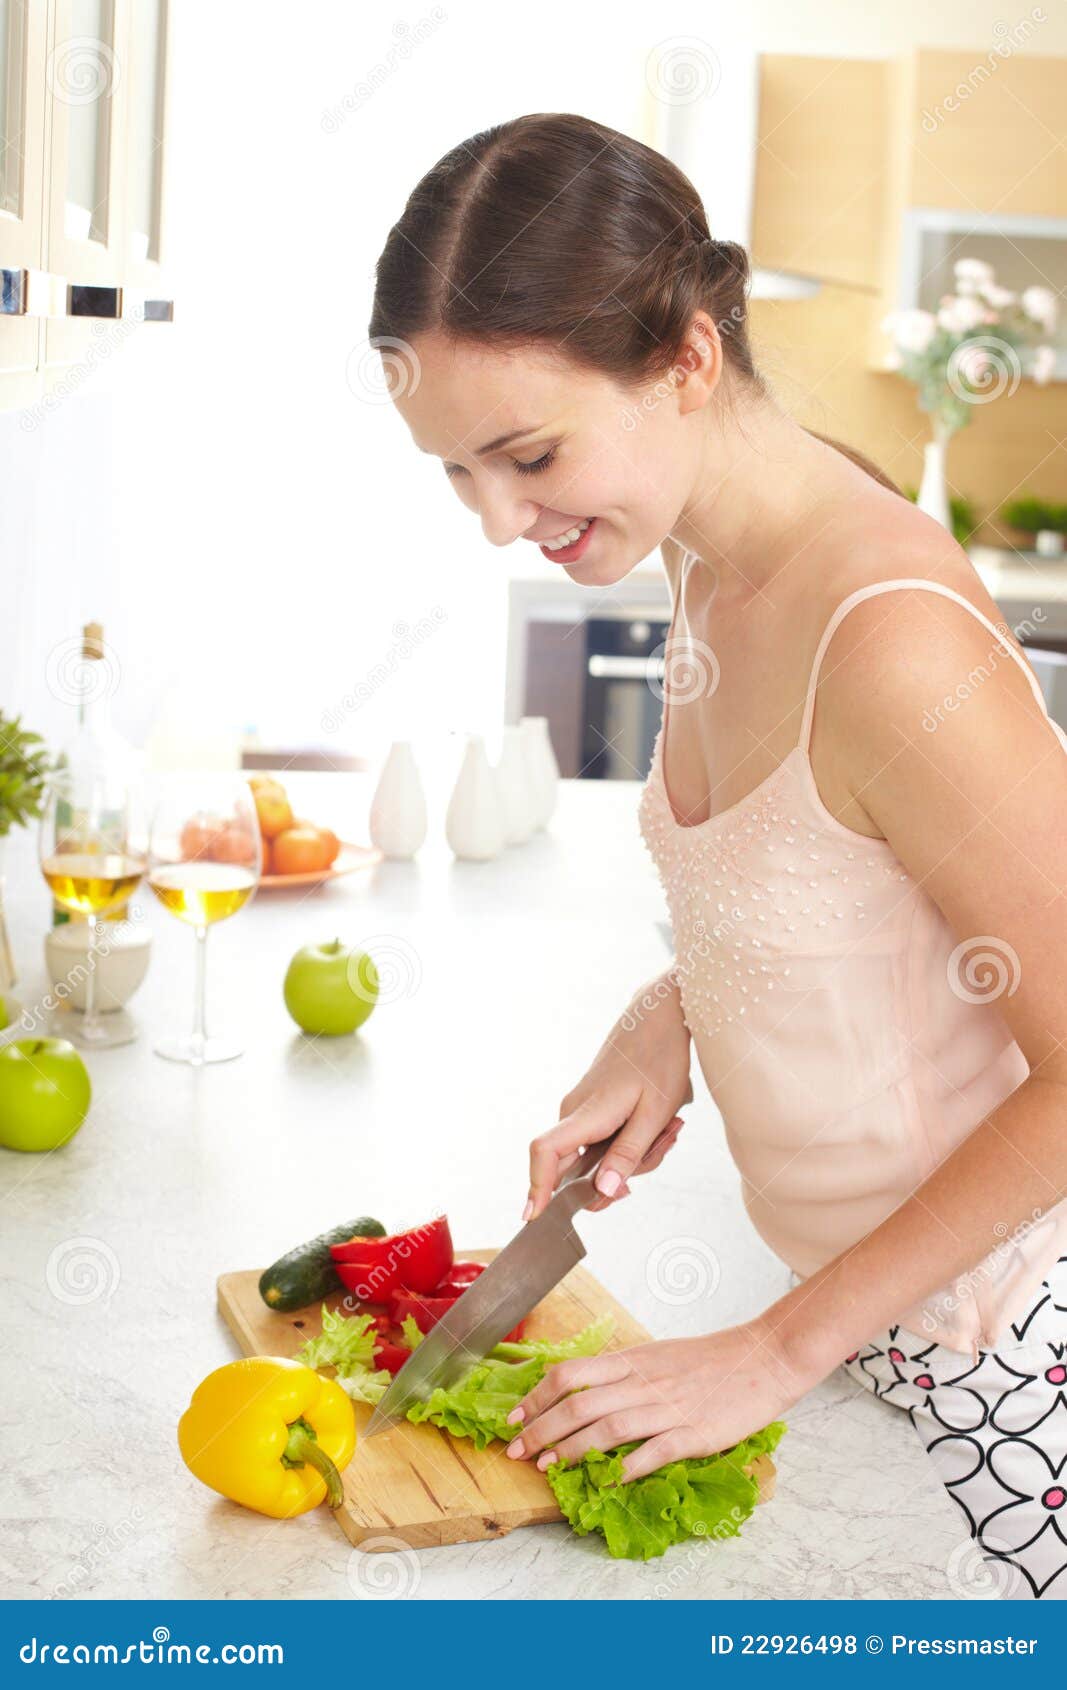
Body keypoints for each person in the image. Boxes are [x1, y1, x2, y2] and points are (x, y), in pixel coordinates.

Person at [369, 112, 1067, 1598]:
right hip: (873, 1322)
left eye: (529, 455)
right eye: (457, 473)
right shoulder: (705, 554)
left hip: (1014, 1354)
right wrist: (676, 1010)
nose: (498, 521)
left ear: (688, 358)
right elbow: (839, 876)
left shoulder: (890, 642)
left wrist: (772, 1348)